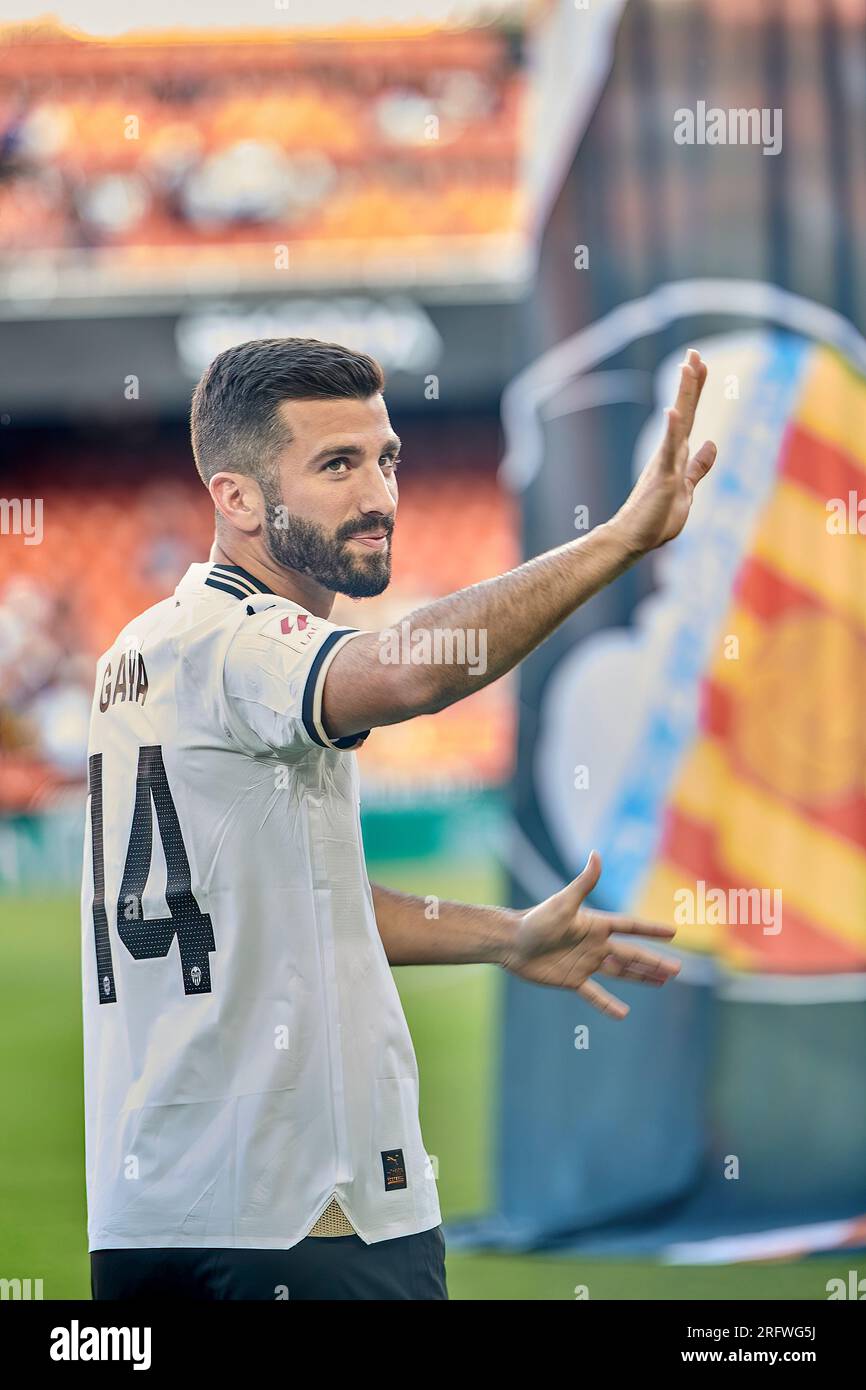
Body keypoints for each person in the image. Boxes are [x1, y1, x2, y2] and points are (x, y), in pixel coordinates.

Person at [83, 337, 716, 1300]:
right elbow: (409, 673)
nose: (378, 493)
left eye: (386, 459)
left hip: (149, 1218)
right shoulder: (245, 642)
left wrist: (505, 936)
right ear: (237, 498)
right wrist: (618, 539)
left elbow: (293, 901)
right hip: (307, 1213)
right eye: (335, 465)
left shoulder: (140, 649)